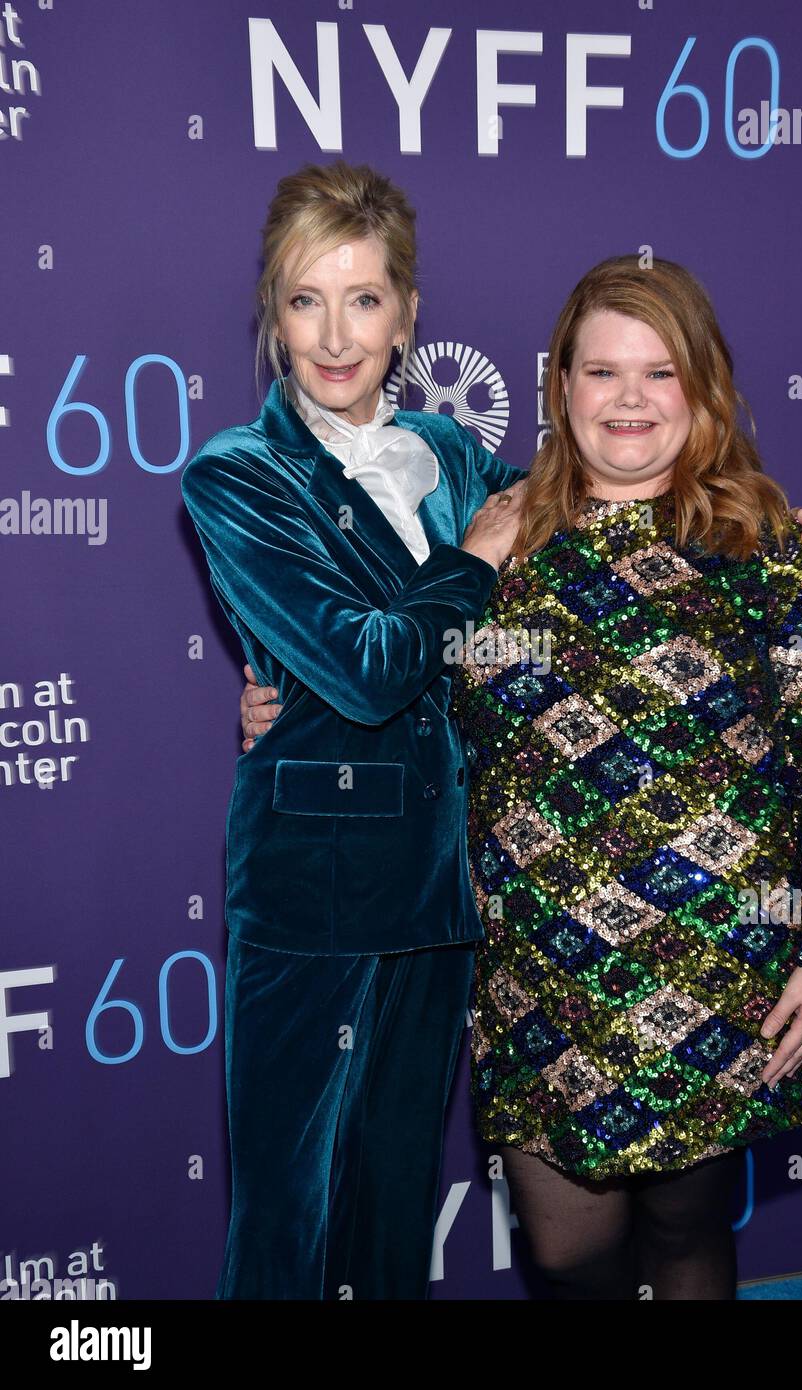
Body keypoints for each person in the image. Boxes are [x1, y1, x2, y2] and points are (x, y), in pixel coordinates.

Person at [227, 191, 802, 1299]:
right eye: (601, 371)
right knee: (568, 1261)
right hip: (538, 977)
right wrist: (284, 705)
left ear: (700, 388)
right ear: (557, 389)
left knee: (688, 1232)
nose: (629, 399)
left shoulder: (775, 546)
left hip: (718, 968)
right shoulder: (504, 540)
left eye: (659, 372)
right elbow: (405, 686)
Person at [181, 159, 527, 1300]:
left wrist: (769, 528)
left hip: (440, 895)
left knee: (389, 1219)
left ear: (410, 312)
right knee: (288, 1222)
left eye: (365, 299)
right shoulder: (237, 475)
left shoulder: (463, 458)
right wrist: (475, 560)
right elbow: (370, 670)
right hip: (312, 890)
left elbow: (608, 523)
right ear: (271, 315)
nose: (335, 336)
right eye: (304, 300)